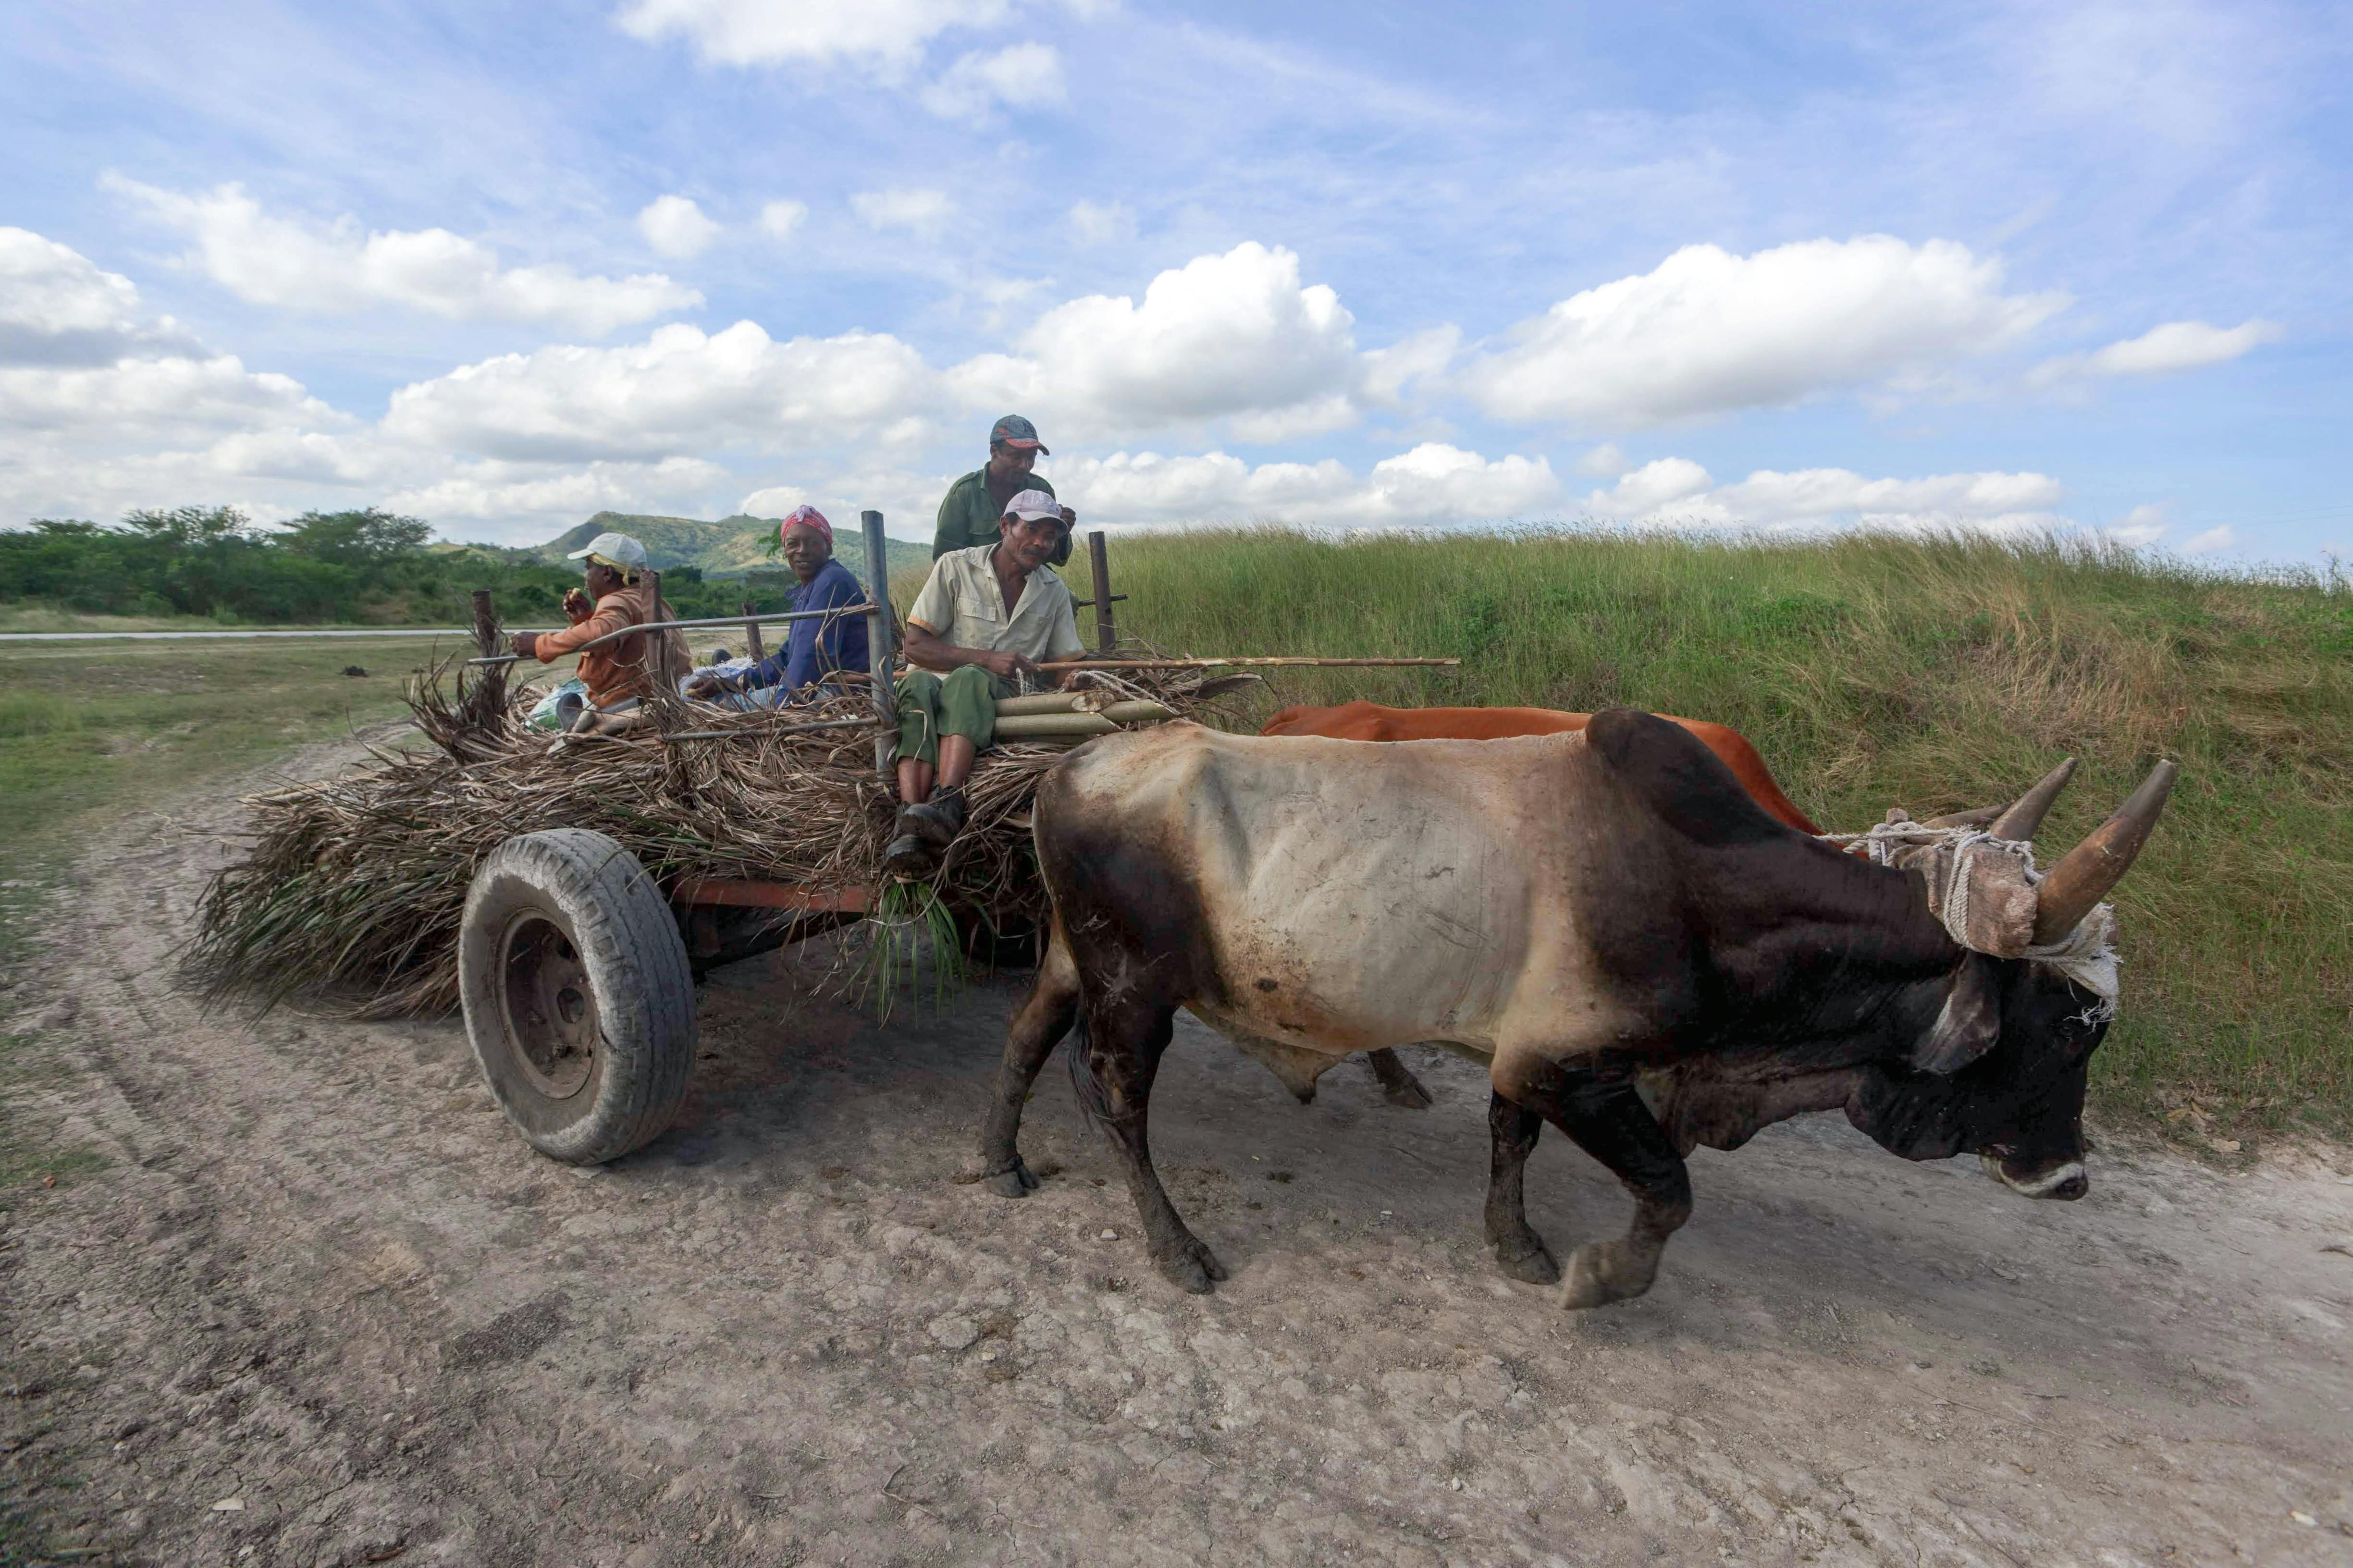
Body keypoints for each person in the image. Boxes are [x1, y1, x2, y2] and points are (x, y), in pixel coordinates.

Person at [886, 490, 1085, 873]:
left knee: (970, 679)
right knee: (917, 687)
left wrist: (1074, 680)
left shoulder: (1053, 591)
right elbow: (914, 647)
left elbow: (1062, 665)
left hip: (997, 693)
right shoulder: (955, 567)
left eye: (1050, 536)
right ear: (1005, 526)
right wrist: (985, 658)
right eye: (1030, 530)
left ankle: (949, 799)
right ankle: (909, 817)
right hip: (937, 681)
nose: (1040, 543)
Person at [682, 505, 870, 708]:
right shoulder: (810, 589)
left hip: (832, 693)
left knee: (696, 704)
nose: (802, 551)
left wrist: (784, 706)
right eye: (793, 544)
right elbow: (787, 657)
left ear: (829, 547)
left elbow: (811, 656)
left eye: (812, 543)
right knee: (696, 693)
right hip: (812, 689)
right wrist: (733, 683)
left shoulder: (832, 581)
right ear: (785, 550)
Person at [509, 531, 690, 718]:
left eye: (588, 568)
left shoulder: (616, 602)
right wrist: (585, 619)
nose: (586, 577)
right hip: (668, 693)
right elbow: (619, 640)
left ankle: (581, 727)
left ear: (607, 572)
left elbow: (603, 632)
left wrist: (540, 644)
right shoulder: (655, 602)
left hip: (629, 704)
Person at [932, 414, 1077, 565]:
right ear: (994, 451)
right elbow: (946, 561)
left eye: (1031, 458)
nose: (1025, 465)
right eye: (1016, 457)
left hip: (1031, 584)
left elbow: (1056, 559)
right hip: (978, 586)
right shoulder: (964, 493)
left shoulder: (1041, 490)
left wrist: (1062, 534)